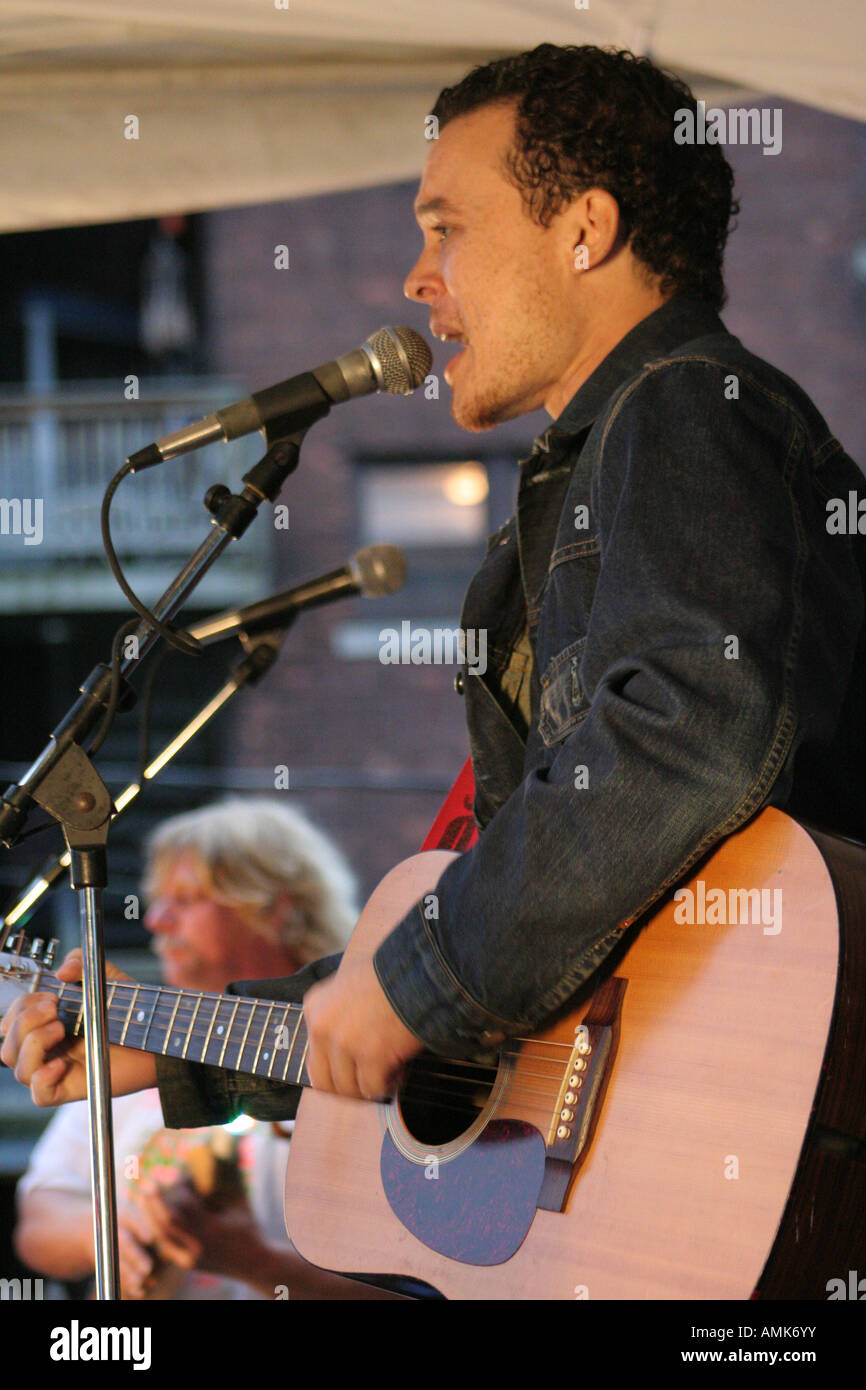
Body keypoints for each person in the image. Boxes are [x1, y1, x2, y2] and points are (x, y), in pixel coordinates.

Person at [3, 44, 865, 1154]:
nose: (417, 278)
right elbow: (501, 948)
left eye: (445, 227)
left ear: (584, 230)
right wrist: (172, 1047)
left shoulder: (687, 408)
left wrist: (420, 977)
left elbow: (691, 726)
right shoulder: (590, 474)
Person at [12, 797, 397, 1299]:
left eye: (188, 898)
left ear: (276, 909)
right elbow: (38, 1217)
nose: (156, 920)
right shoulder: (136, 1033)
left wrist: (257, 1262)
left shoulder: (371, 1058)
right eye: (158, 899)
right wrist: (108, 1229)